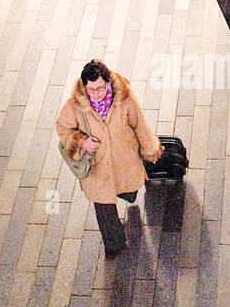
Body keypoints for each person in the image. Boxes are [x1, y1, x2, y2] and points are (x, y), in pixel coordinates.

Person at [55, 60, 163, 257]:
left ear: (108, 82)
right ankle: (114, 245)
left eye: (100, 88)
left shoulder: (125, 98)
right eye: (91, 90)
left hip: (124, 158)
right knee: (103, 206)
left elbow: (139, 124)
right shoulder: (75, 105)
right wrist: (82, 142)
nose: (96, 94)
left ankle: (126, 195)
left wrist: (150, 148)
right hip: (98, 167)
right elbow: (63, 127)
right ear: (84, 87)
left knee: (128, 188)